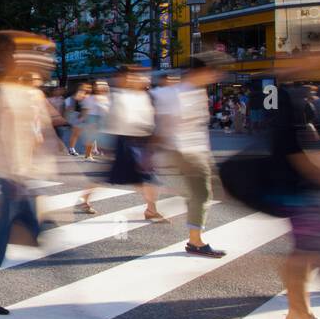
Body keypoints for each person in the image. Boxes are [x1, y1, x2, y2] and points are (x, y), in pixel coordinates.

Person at [0, 32, 58, 315]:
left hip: (23, 173)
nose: (43, 62)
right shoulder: (3, 93)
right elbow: (1, 136)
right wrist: (12, 174)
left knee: (25, 228)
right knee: (6, 230)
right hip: (10, 173)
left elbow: (43, 133)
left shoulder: (33, 93)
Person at [267, 56, 320, 319]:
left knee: (307, 249)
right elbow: (287, 143)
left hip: (300, 184)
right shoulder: (282, 94)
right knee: (308, 249)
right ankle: (298, 313)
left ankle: (298, 313)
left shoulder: (292, 93)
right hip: (300, 185)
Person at [152, 60, 227, 257]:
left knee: (197, 194)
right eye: (212, 72)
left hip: (195, 151)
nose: (214, 77)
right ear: (199, 71)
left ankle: (195, 237)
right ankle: (195, 241)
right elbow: (164, 124)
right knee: (202, 194)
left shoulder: (196, 92)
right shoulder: (174, 93)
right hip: (183, 151)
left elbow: (197, 126)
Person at [82, 67, 162, 219]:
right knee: (108, 175)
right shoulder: (119, 96)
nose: (140, 79)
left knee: (146, 177)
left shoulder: (144, 96)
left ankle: (151, 209)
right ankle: (84, 199)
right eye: (133, 77)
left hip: (141, 141)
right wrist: (107, 146)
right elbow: (111, 121)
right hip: (124, 141)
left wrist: (151, 138)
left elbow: (149, 118)